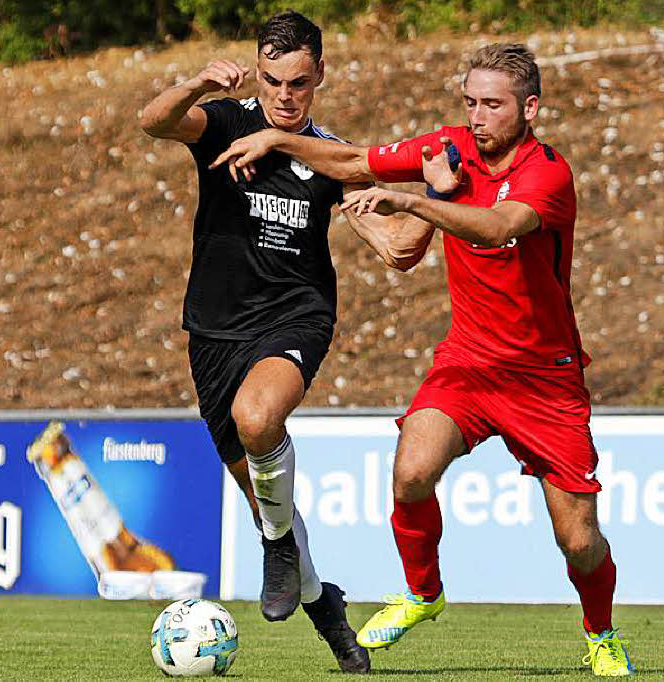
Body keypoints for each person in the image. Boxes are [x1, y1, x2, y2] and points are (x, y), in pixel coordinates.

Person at [212, 43, 635, 677]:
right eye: (469, 102)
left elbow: (496, 227)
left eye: (492, 104)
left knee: (578, 540)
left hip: (545, 380)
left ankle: (600, 632)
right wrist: (278, 140)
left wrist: (414, 201)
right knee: (411, 470)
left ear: (530, 108)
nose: (477, 116)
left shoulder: (548, 173)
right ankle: (423, 593)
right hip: (467, 362)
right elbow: (354, 159)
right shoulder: (449, 148)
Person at [139, 11, 431, 675]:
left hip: (295, 320)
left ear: (320, 75)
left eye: (299, 82)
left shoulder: (329, 156)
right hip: (213, 334)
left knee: (257, 417)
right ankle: (326, 608)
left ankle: (277, 549)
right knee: (269, 504)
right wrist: (193, 84)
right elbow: (152, 122)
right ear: (256, 72)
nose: (285, 95)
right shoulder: (223, 121)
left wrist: (426, 208)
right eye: (272, 81)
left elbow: (397, 248)